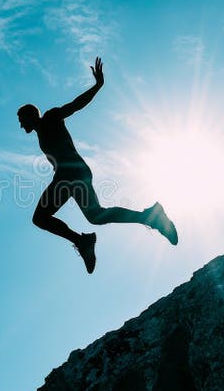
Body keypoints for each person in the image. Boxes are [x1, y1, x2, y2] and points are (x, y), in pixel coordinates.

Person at [18, 57, 178, 274]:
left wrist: (97, 86)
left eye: (21, 119)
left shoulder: (50, 117)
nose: (20, 125)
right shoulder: (41, 132)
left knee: (40, 218)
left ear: (30, 115)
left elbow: (74, 106)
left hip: (70, 173)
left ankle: (83, 241)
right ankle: (150, 216)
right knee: (96, 216)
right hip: (72, 174)